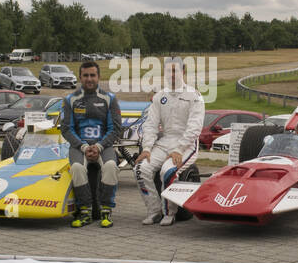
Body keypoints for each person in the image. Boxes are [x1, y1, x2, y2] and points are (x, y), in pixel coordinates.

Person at [135, 58, 204, 226]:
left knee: (167, 171)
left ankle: (169, 213)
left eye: (175, 71)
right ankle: (154, 211)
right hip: (164, 142)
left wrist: (179, 149)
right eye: (168, 71)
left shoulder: (195, 96)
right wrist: (147, 148)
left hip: (186, 145)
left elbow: (195, 127)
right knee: (140, 169)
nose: (171, 74)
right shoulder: (160, 96)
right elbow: (150, 124)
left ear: (183, 72)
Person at [61, 61, 122, 228]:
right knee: (77, 168)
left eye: (92, 75)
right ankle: (85, 211)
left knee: (111, 166)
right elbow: (66, 129)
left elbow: (115, 128)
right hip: (79, 146)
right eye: (86, 75)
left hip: (103, 145)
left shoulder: (110, 99)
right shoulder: (70, 100)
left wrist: (99, 146)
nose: (89, 79)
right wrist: (83, 147)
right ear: (80, 77)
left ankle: (106, 211)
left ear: (98, 77)